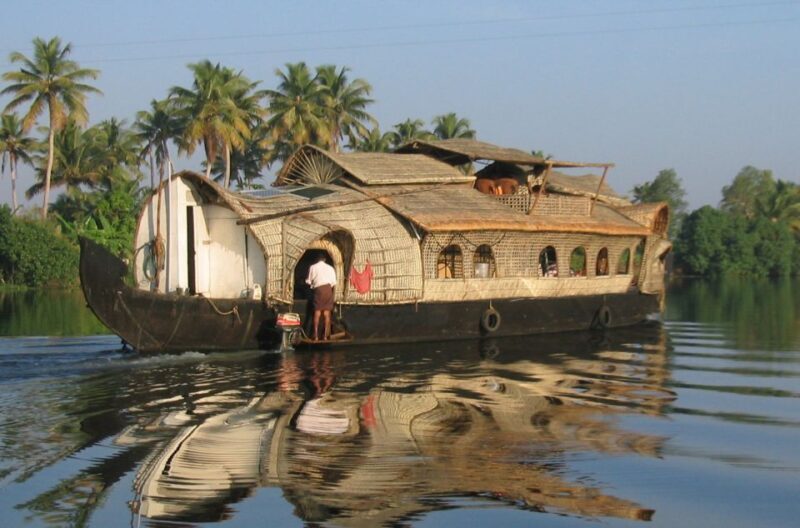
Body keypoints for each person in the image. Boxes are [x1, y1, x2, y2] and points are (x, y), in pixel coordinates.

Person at [306, 254, 337, 341]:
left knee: (317, 312)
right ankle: (325, 336)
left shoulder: (313, 267)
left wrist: (311, 284)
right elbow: (333, 283)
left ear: (317, 260)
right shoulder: (330, 268)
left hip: (318, 290)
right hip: (328, 290)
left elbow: (308, 281)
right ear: (324, 260)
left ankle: (315, 336)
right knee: (327, 313)